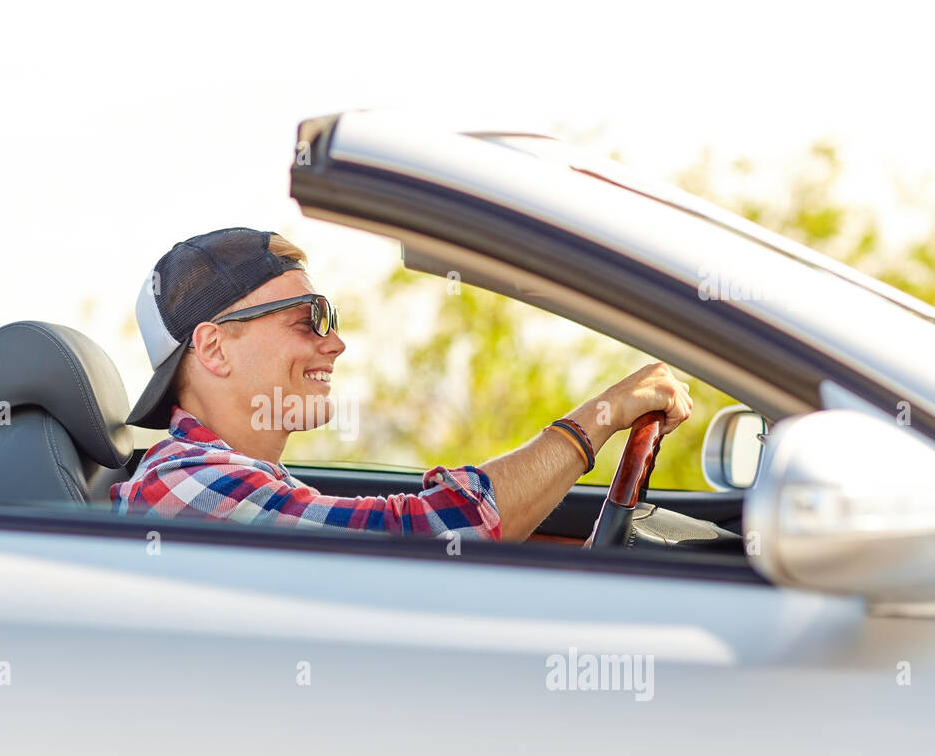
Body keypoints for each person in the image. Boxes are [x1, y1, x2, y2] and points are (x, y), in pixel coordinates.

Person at [111, 227, 692, 542]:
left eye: (332, 318)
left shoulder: (247, 481)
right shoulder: (187, 485)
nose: (334, 342)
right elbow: (430, 536)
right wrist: (602, 416)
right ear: (214, 347)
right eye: (309, 316)